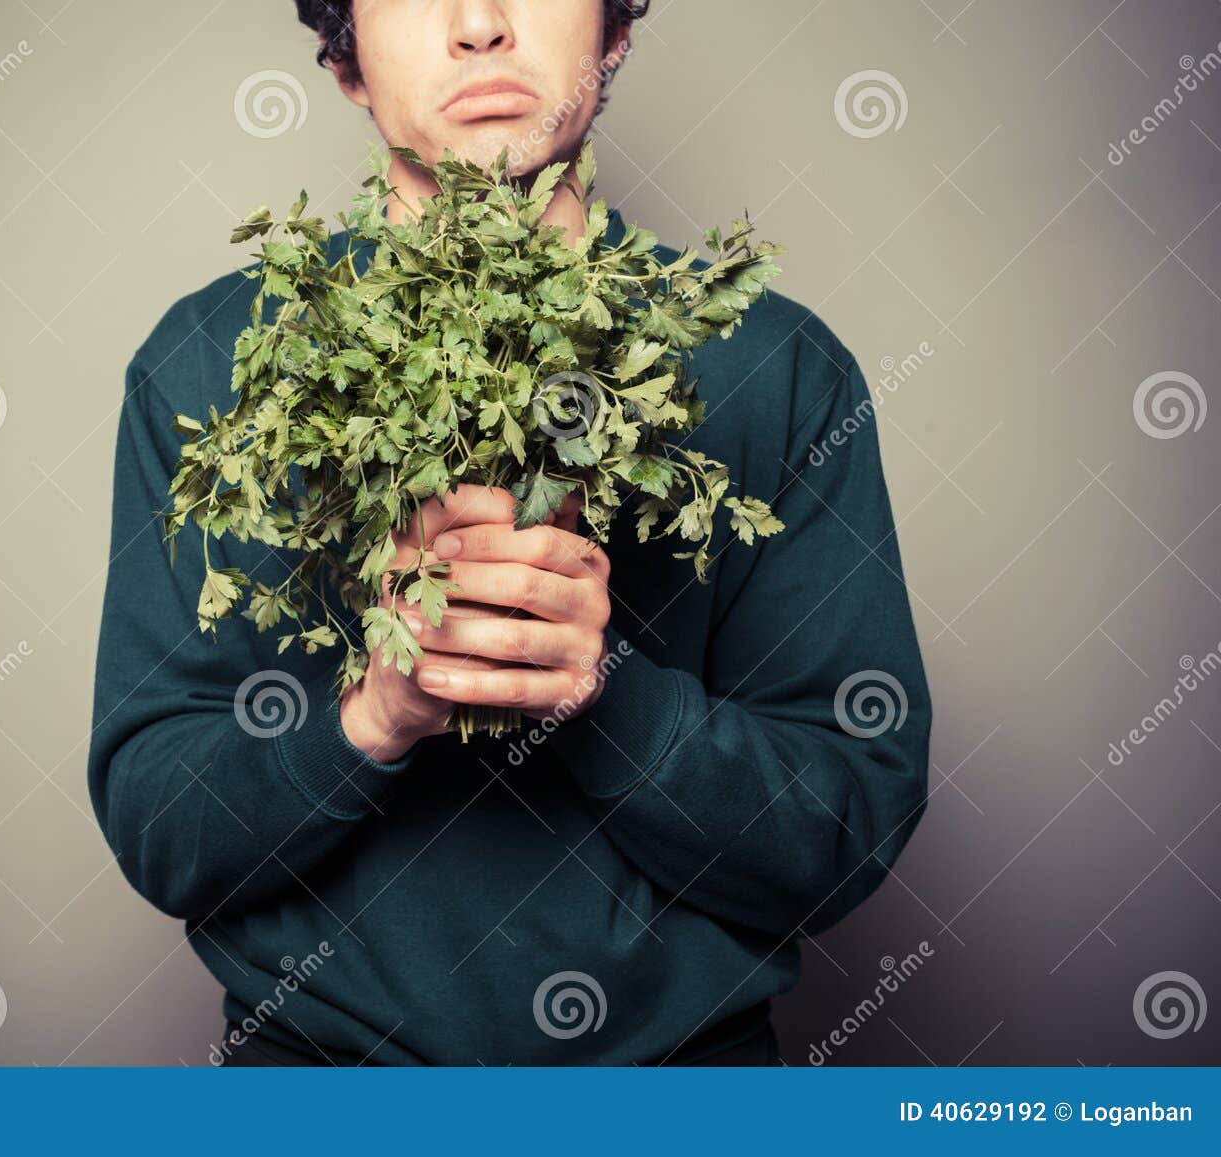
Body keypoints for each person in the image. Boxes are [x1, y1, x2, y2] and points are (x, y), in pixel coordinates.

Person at [88, 0, 931, 1066]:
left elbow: (843, 828)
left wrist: (597, 690)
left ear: (614, 27)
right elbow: (165, 828)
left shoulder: (774, 370)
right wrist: (374, 710)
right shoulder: (210, 364)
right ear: (344, 54)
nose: (478, 22)